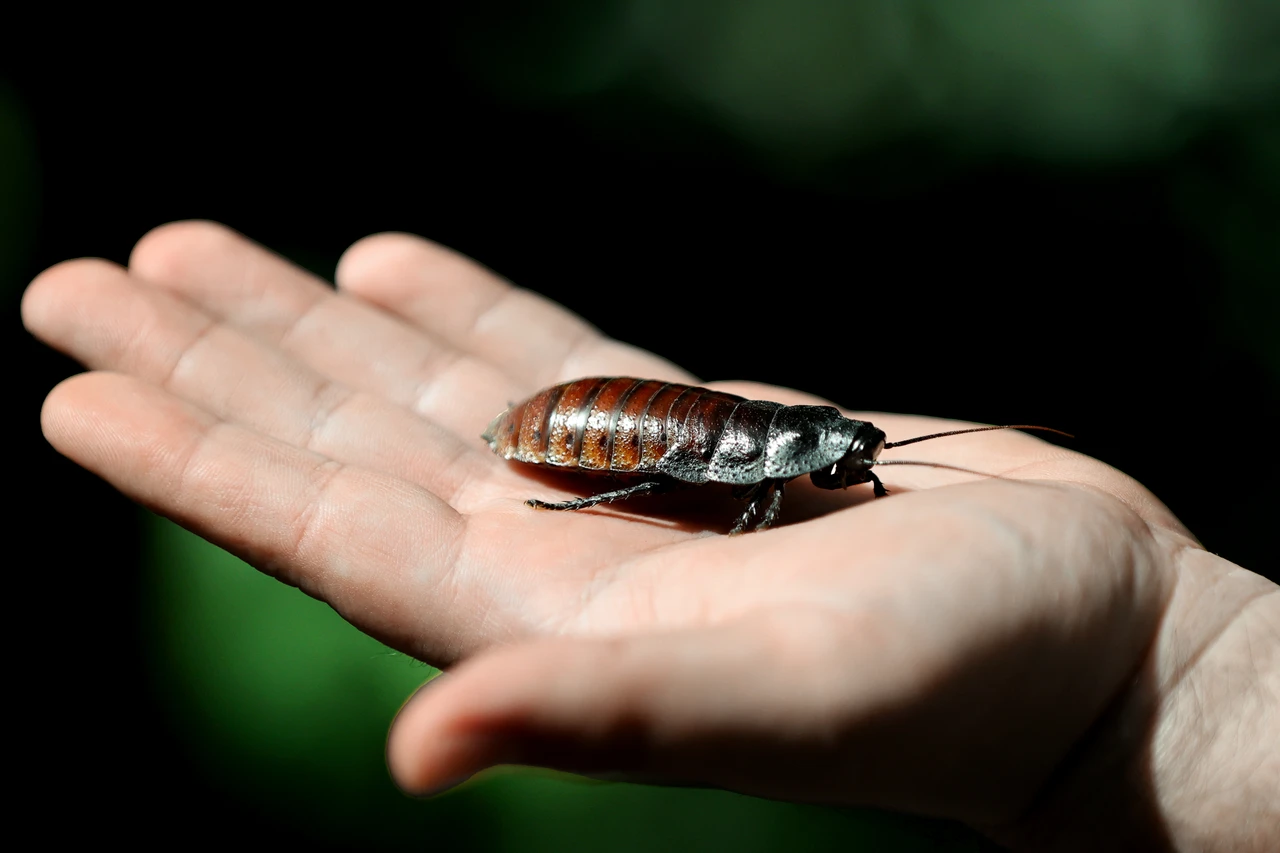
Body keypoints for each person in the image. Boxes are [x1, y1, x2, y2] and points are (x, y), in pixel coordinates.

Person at [23, 222, 1277, 852]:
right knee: (674, 453)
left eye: (848, 461)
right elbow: (712, 472)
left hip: (656, 423)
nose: (855, 471)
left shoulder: (798, 464)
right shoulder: (758, 472)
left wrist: (1167, 672)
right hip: (599, 424)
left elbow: (788, 468)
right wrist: (1174, 677)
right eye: (841, 458)